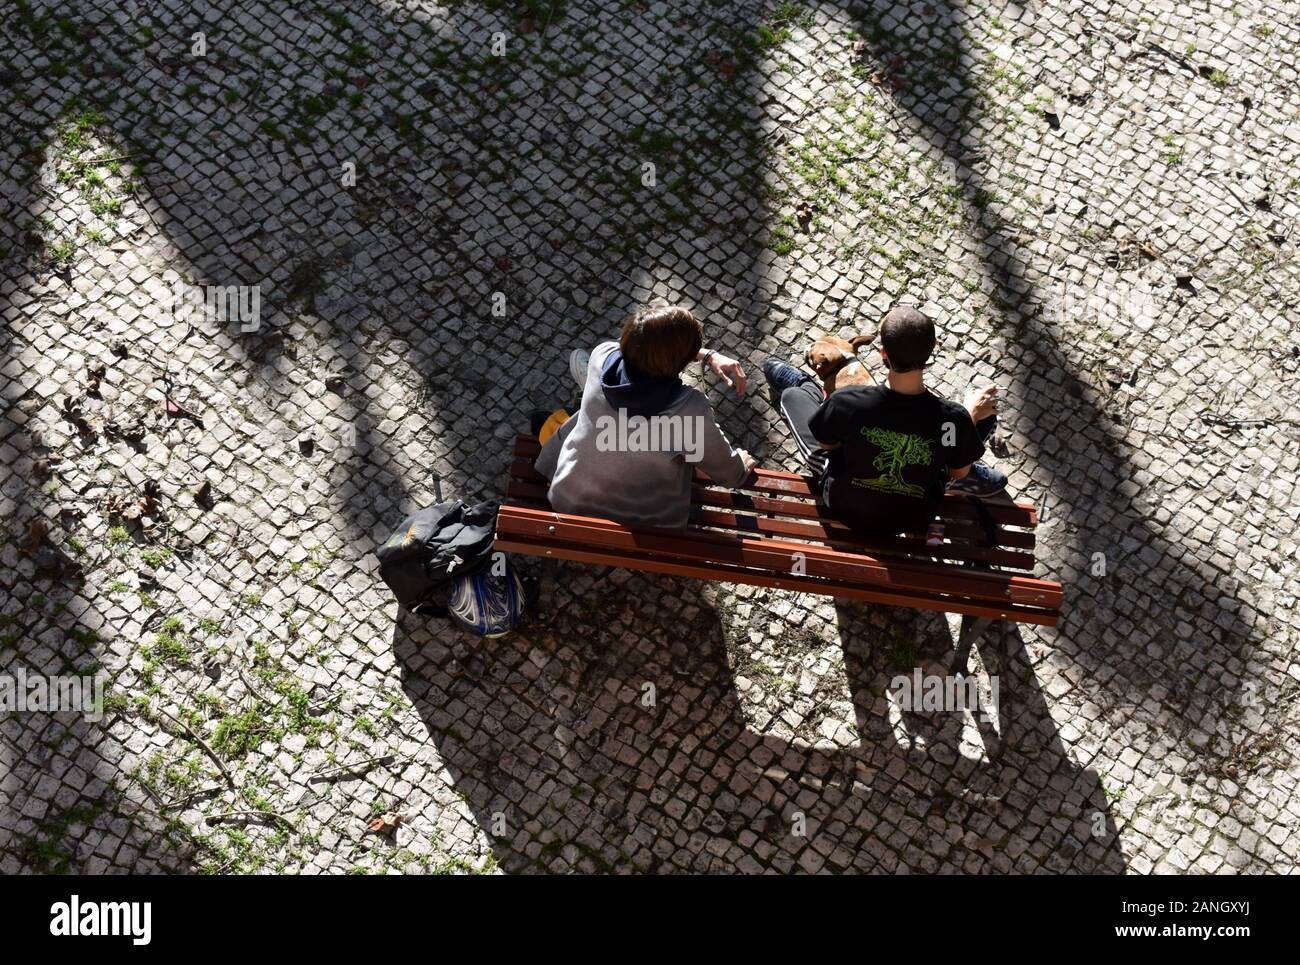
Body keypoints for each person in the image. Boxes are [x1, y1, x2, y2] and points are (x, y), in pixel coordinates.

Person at [762, 304, 1005, 538]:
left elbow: (827, 445)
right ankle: (963, 462)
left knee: (793, 397)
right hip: (915, 516)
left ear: (882, 354)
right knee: (983, 420)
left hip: (843, 506)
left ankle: (804, 385)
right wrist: (968, 416)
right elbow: (958, 471)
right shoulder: (951, 418)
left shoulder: (846, 402)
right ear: (932, 350)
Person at [536, 302, 757, 528]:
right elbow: (729, 475)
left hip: (568, 500)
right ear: (680, 363)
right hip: (647, 525)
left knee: (587, 414)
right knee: (684, 448)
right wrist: (740, 465)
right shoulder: (690, 409)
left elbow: (633, 349)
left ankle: (594, 395)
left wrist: (704, 355)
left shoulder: (600, 358)